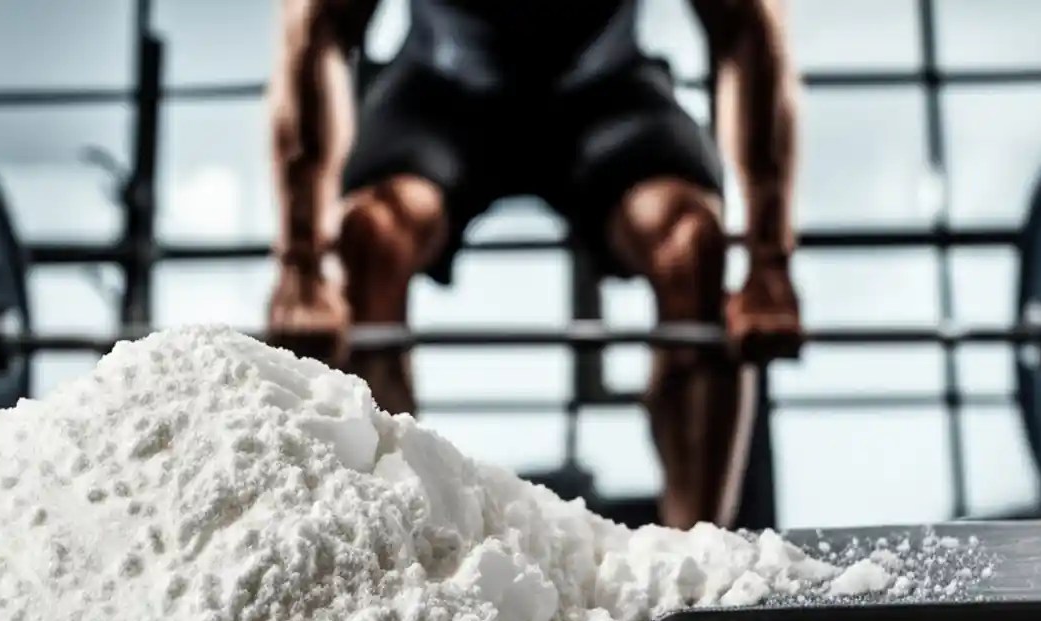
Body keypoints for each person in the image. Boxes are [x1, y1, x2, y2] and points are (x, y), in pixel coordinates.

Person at [267, 0, 801, 533]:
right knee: (371, 237)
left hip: (603, 86)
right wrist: (302, 266)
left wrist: (768, 265)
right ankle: (391, 539)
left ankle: (699, 563)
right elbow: (314, 26)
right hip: (443, 87)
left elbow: (748, 25)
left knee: (692, 245)